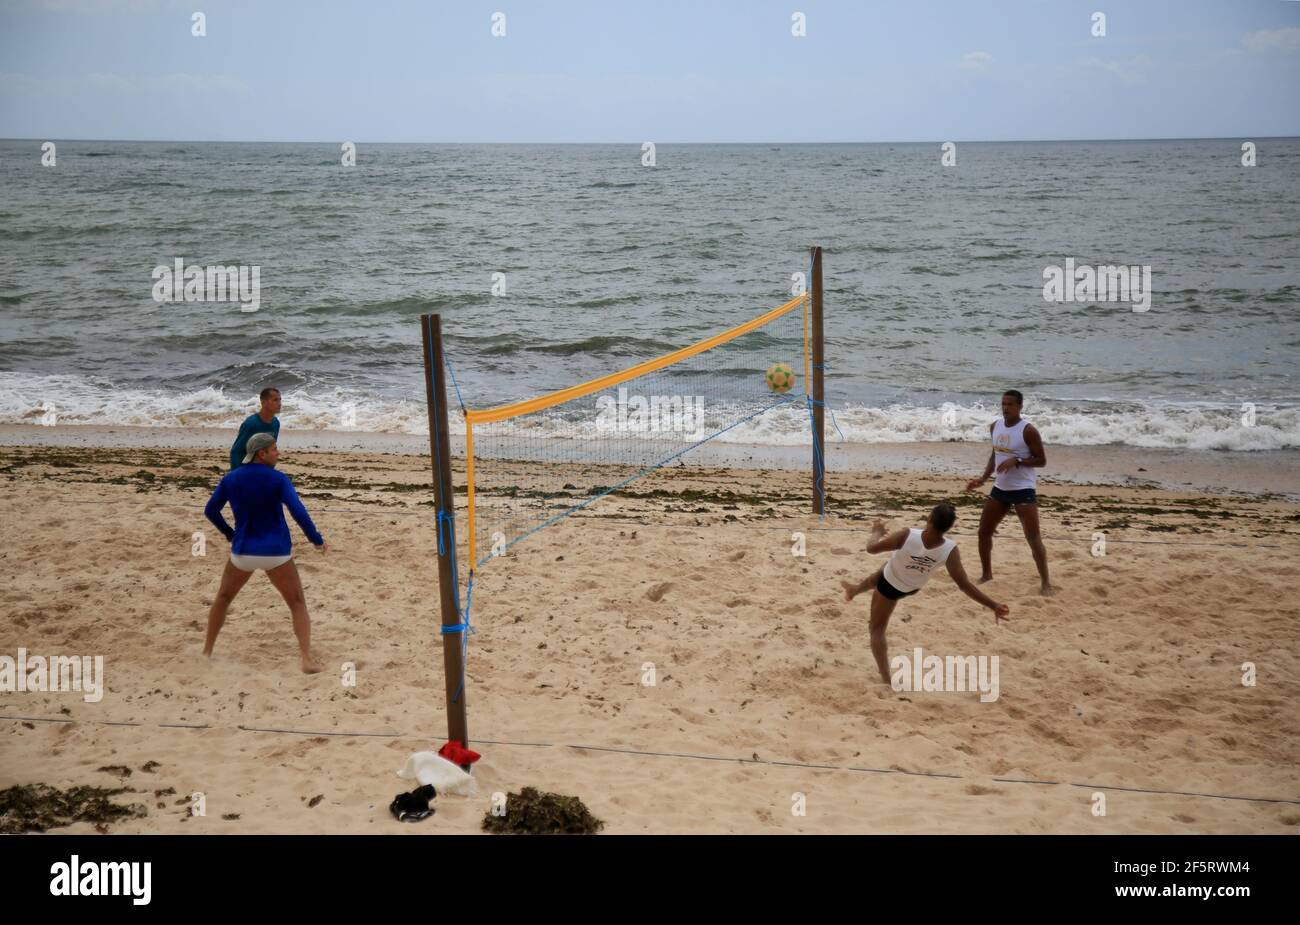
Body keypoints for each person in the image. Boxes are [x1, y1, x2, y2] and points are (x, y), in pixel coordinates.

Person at [841, 503, 1009, 686]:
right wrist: (994, 605)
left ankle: (886, 679)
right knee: (883, 570)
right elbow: (965, 585)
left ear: (929, 519)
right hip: (912, 586)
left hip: (891, 586)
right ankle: (854, 590)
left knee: (876, 630)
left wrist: (877, 532)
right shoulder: (950, 549)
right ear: (948, 527)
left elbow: (871, 549)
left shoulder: (908, 535)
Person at [203, 432, 326, 673]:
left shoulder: (231, 478)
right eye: (274, 449)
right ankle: (306, 659)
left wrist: (229, 533)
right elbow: (298, 512)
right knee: (297, 602)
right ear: (261, 453)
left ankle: (206, 652)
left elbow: (211, 511)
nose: (278, 453)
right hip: (276, 553)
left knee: (223, 599)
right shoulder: (278, 479)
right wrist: (316, 540)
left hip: (243, 552)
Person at [965, 389, 1056, 595]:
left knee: (1033, 538)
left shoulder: (1028, 431)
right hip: (1000, 489)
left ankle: (1046, 583)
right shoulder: (995, 426)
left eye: (1010, 405)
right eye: (1003, 404)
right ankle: (986, 574)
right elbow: (994, 455)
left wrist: (1018, 460)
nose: (1006, 408)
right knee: (984, 532)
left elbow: (1041, 461)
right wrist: (982, 479)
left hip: (1023, 489)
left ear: (1020, 406)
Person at [230, 387, 281, 470]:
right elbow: (236, 452)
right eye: (275, 400)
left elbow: (271, 449)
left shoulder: (276, 423)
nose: (279, 404)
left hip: (264, 469)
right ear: (263, 402)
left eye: (280, 400)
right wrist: (236, 475)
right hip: (247, 468)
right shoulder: (251, 424)